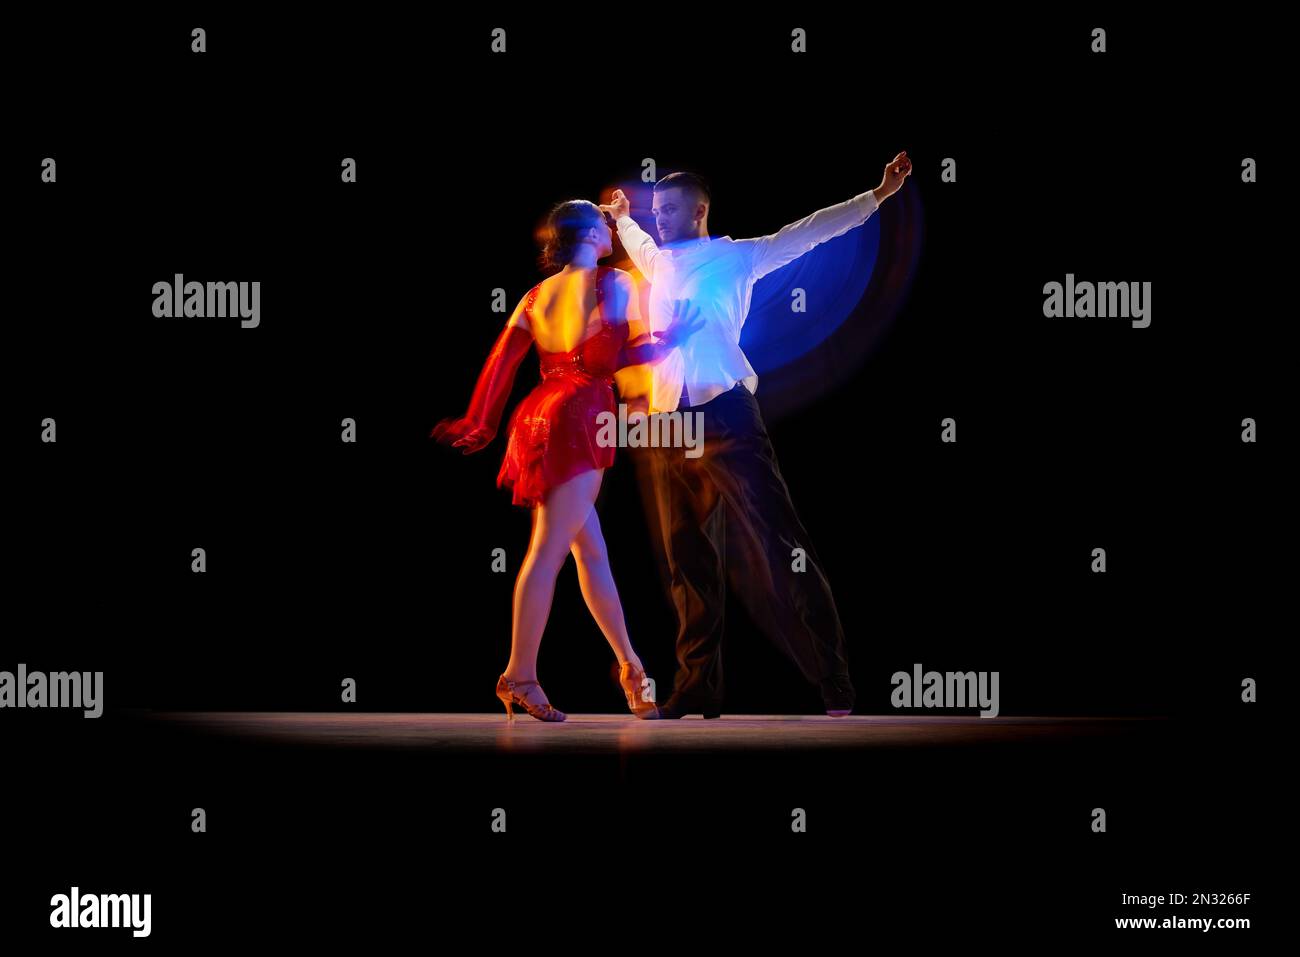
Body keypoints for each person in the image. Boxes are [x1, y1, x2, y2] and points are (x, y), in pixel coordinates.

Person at [597, 152, 913, 719]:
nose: (660, 219)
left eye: (669, 210)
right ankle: (697, 686)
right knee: (686, 554)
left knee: (780, 542)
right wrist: (623, 216)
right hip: (673, 420)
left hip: (728, 413)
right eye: (656, 211)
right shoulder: (656, 261)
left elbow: (809, 232)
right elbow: (636, 237)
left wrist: (878, 196)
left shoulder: (738, 257)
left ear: (699, 212)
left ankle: (834, 679)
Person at [431, 199, 703, 722]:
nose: (611, 233)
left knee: (590, 554)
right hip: (579, 419)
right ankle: (519, 675)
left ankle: (629, 665)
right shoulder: (614, 285)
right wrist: (673, 340)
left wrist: (479, 422)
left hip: (538, 417)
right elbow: (625, 357)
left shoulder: (534, 297)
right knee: (547, 551)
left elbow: (501, 364)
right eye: (606, 225)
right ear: (590, 235)